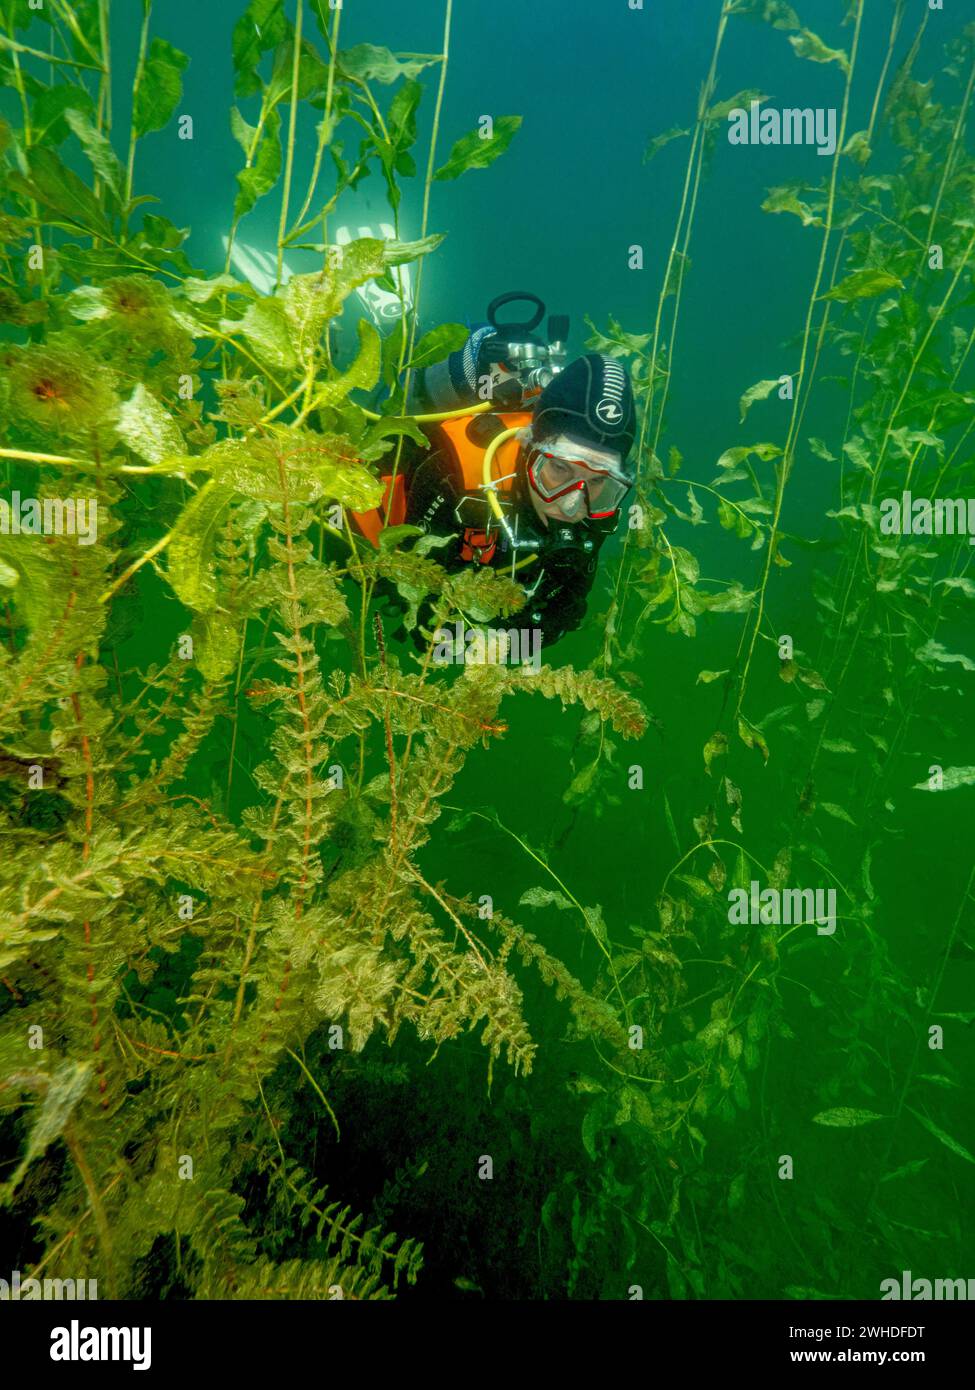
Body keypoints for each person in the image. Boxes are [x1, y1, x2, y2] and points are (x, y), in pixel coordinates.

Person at [352, 294, 637, 650]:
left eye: (599, 482)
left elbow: (564, 612)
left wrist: (530, 627)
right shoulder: (457, 472)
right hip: (355, 534)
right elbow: (424, 628)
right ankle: (367, 332)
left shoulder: (594, 511)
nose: (570, 504)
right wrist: (517, 635)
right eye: (559, 469)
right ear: (529, 448)